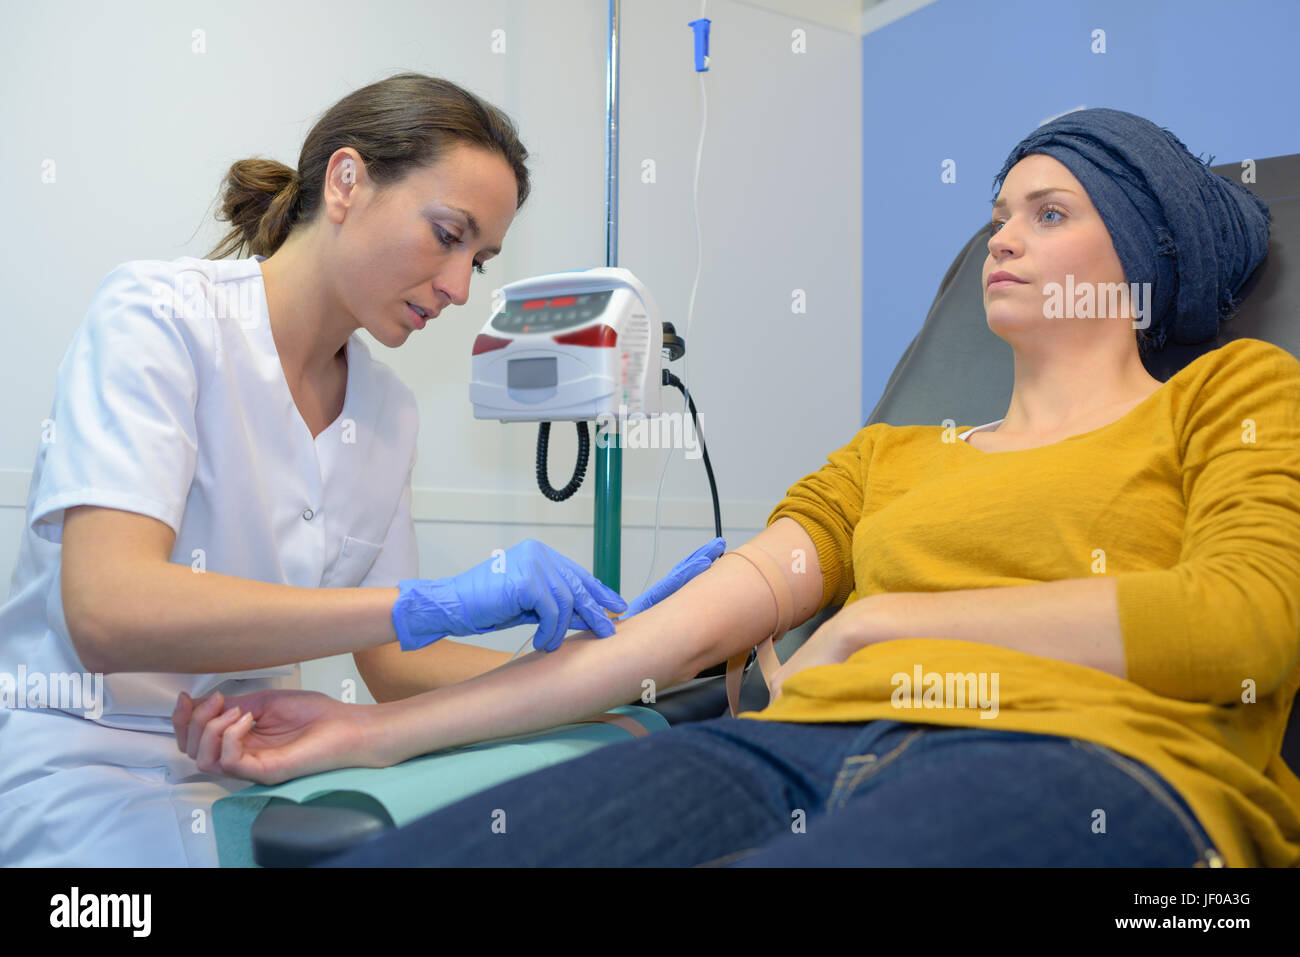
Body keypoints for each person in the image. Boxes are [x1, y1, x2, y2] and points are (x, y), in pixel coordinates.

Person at [175, 108, 1300, 867]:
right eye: (998, 211)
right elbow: (641, 653)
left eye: (1047, 214)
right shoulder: (891, 457)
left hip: (1090, 762)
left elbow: (1241, 629)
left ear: (1146, 259)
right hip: (785, 747)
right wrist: (367, 735)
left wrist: (889, 619)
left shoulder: (1229, 394)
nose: (1001, 237)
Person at [0, 72, 719, 868]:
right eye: (449, 234)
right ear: (346, 182)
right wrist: (426, 601)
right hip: (83, 777)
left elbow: (398, 667)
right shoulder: (160, 320)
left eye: (478, 260)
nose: (455, 287)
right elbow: (108, 610)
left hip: (253, 772)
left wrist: (617, 659)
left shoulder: (386, 408)